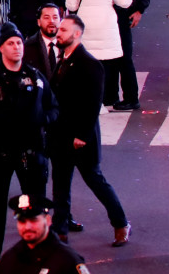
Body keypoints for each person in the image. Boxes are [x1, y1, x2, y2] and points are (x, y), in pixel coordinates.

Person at [0, 22, 58, 268]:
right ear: (1, 48)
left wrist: (42, 120)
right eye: (11, 43)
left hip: (31, 153)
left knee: (35, 207)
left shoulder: (35, 77)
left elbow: (53, 107)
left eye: (19, 42)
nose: (17, 47)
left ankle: (41, 257)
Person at [47, 13, 130, 246]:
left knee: (95, 181)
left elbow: (93, 103)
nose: (58, 32)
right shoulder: (63, 60)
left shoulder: (89, 63)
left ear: (77, 34)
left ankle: (121, 223)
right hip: (60, 135)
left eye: (63, 30)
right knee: (60, 184)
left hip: (80, 138)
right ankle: (60, 229)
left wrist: (82, 135)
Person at [65, 0, 133, 109]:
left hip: (85, 25)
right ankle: (110, 97)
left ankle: (92, 97)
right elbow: (126, 1)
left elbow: (71, 5)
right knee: (109, 63)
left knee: (88, 63)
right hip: (106, 24)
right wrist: (111, 0)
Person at [0, 194, 89, 274]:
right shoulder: (9, 258)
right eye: (22, 221)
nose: (27, 227)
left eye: (33, 220)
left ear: (48, 220)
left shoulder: (68, 260)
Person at [23, 4, 62, 78]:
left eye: (55, 17)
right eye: (47, 18)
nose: (51, 21)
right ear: (39, 22)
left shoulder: (68, 45)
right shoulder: (27, 48)